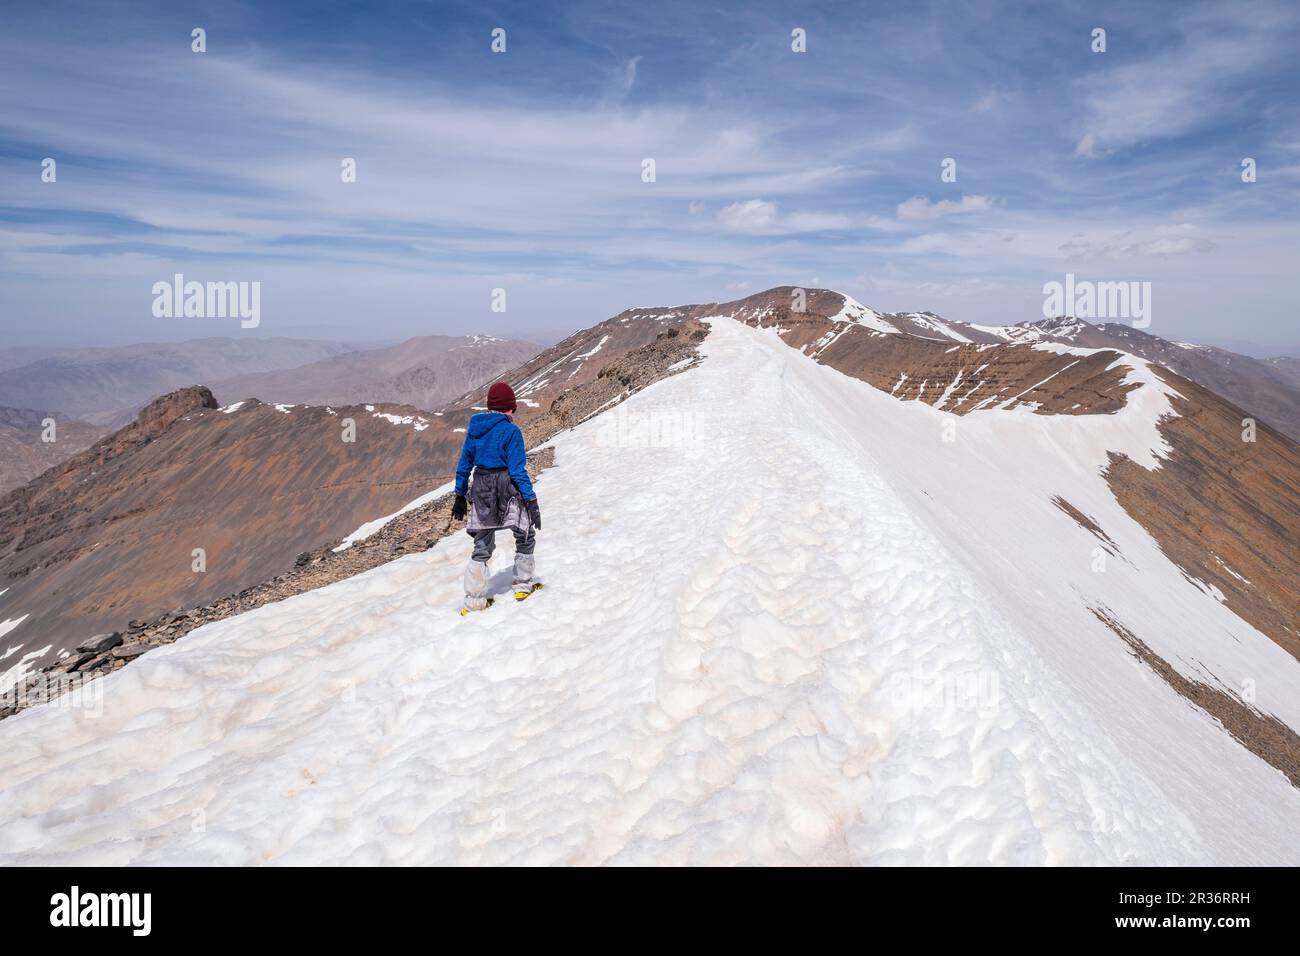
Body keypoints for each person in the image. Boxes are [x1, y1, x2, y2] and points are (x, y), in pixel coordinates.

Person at [451, 382, 542, 614]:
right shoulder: (511, 432)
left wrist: (460, 495)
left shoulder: (474, 429)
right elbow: (517, 471)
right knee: (525, 533)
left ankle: (474, 602)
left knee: (482, 544)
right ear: (509, 407)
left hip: (481, 488)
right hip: (506, 488)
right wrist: (531, 502)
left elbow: (464, 465)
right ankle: (523, 586)